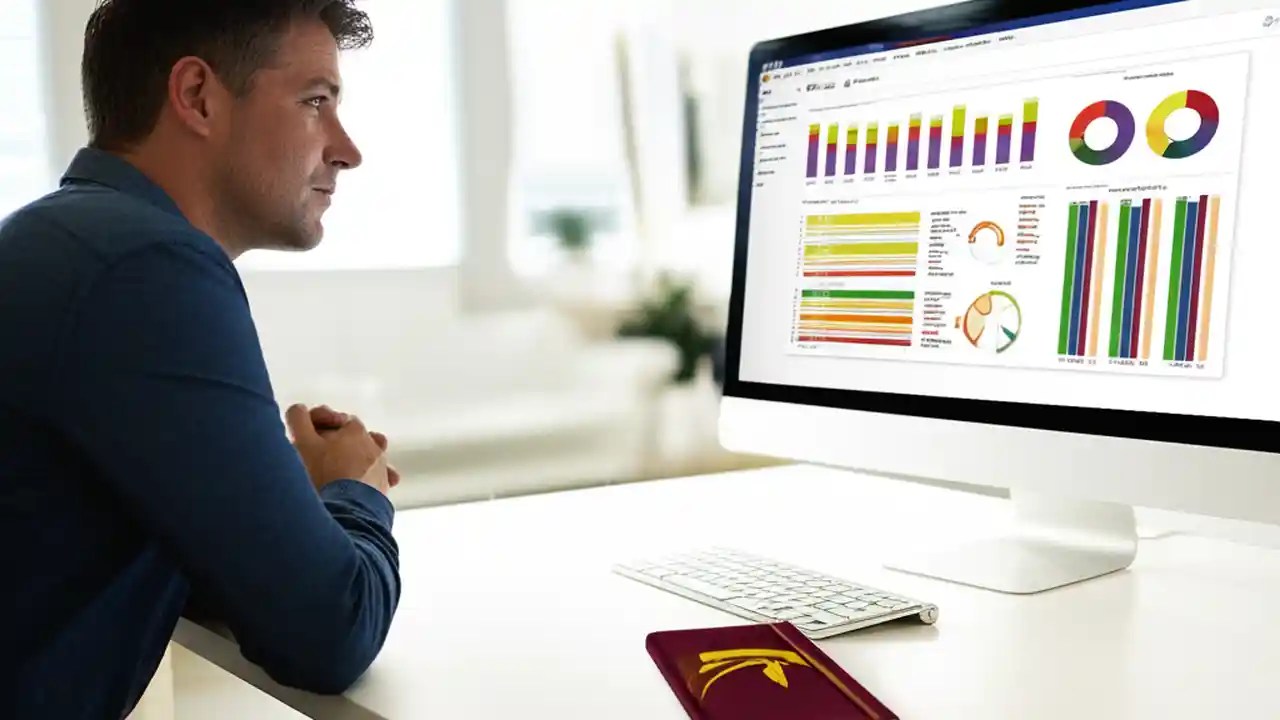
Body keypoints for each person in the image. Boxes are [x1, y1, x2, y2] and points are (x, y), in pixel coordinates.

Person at [0, 1, 403, 716]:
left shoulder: (70, 243)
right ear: (196, 97)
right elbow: (327, 630)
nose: (347, 148)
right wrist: (356, 490)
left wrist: (291, 500)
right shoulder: (144, 268)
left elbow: (225, 567)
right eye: (316, 101)